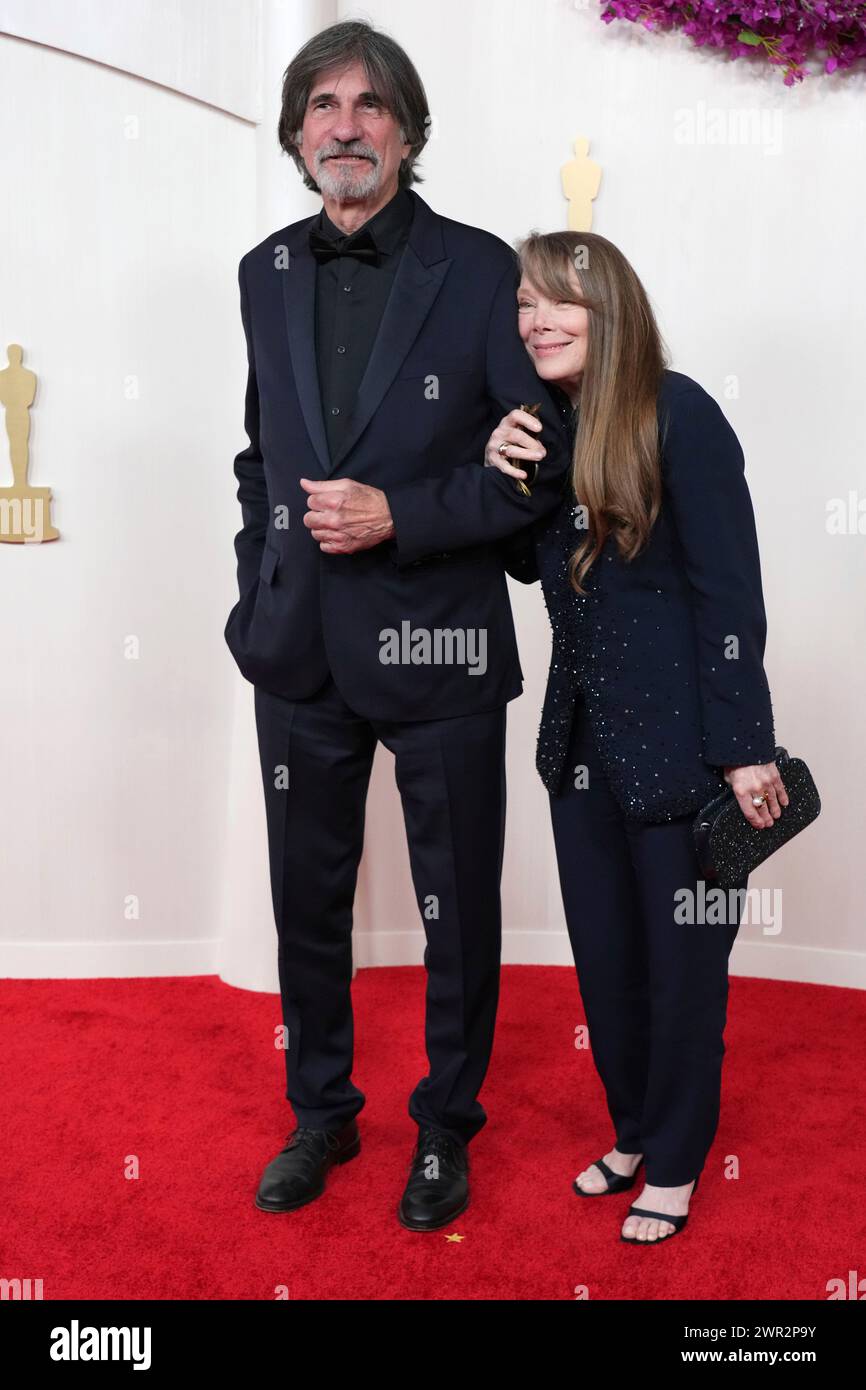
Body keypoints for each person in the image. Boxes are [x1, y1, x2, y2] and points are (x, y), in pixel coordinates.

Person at [223, 20, 571, 1231]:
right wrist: (255, 584)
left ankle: (444, 1127)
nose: (345, 125)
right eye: (321, 105)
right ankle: (320, 1111)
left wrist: (398, 518)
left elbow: (537, 470)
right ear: (295, 133)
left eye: (370, 105)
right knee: (303, 900)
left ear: (408, 131)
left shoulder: (482, 273)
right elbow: (262, 455)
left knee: (453, 907)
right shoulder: (262, 270)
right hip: (296, 650)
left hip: (442, 642)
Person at [488, 230, 787, 1244]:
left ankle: (674, 1158)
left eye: (557, 301)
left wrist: (744, 746)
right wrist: (504, 470)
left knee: (682, 971)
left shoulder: (679, 412)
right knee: (606, 961)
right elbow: (532, 569)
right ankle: (631, 1131)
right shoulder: (539, 424)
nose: (536, 320)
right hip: (577, 748)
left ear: (607, 309)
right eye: (526, 302)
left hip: (686, 754)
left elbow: (727, 592)